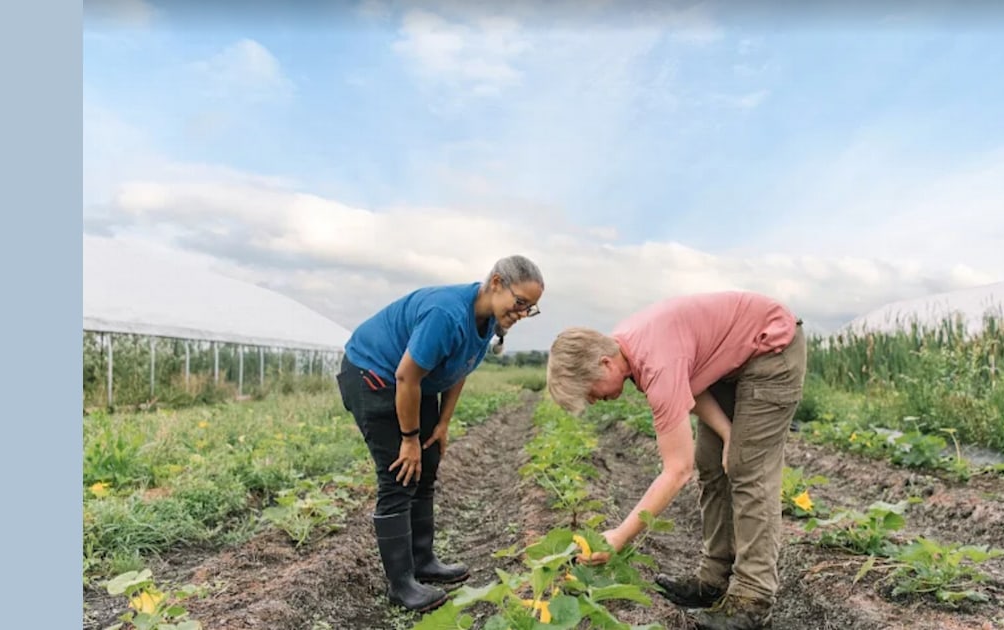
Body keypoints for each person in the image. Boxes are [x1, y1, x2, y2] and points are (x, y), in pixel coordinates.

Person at [546, 291, 806, 630]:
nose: (594, 401)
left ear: (605, 363)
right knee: (710, 463)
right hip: (733, 365)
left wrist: (620, 536)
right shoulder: (627, 348)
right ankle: (714, 578)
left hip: (772, 350)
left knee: (747, 469)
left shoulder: (655, 362)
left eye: (590, 391)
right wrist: (727, 433)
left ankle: (753, 599)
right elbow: (692, 383)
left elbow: (677, 470)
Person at [336, 255, 545, 612]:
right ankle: (401, 585)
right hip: (376, 375)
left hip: (414, 385)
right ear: (497, 283)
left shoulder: (486, 321)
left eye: (531, 308)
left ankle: (423, 561)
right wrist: (409, 438)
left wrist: (443, 423)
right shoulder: (445, 314)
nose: (523, 313)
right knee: (399, 473)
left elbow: (459, 369)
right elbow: (406, 376)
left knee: (428, 461)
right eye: (520, 302)